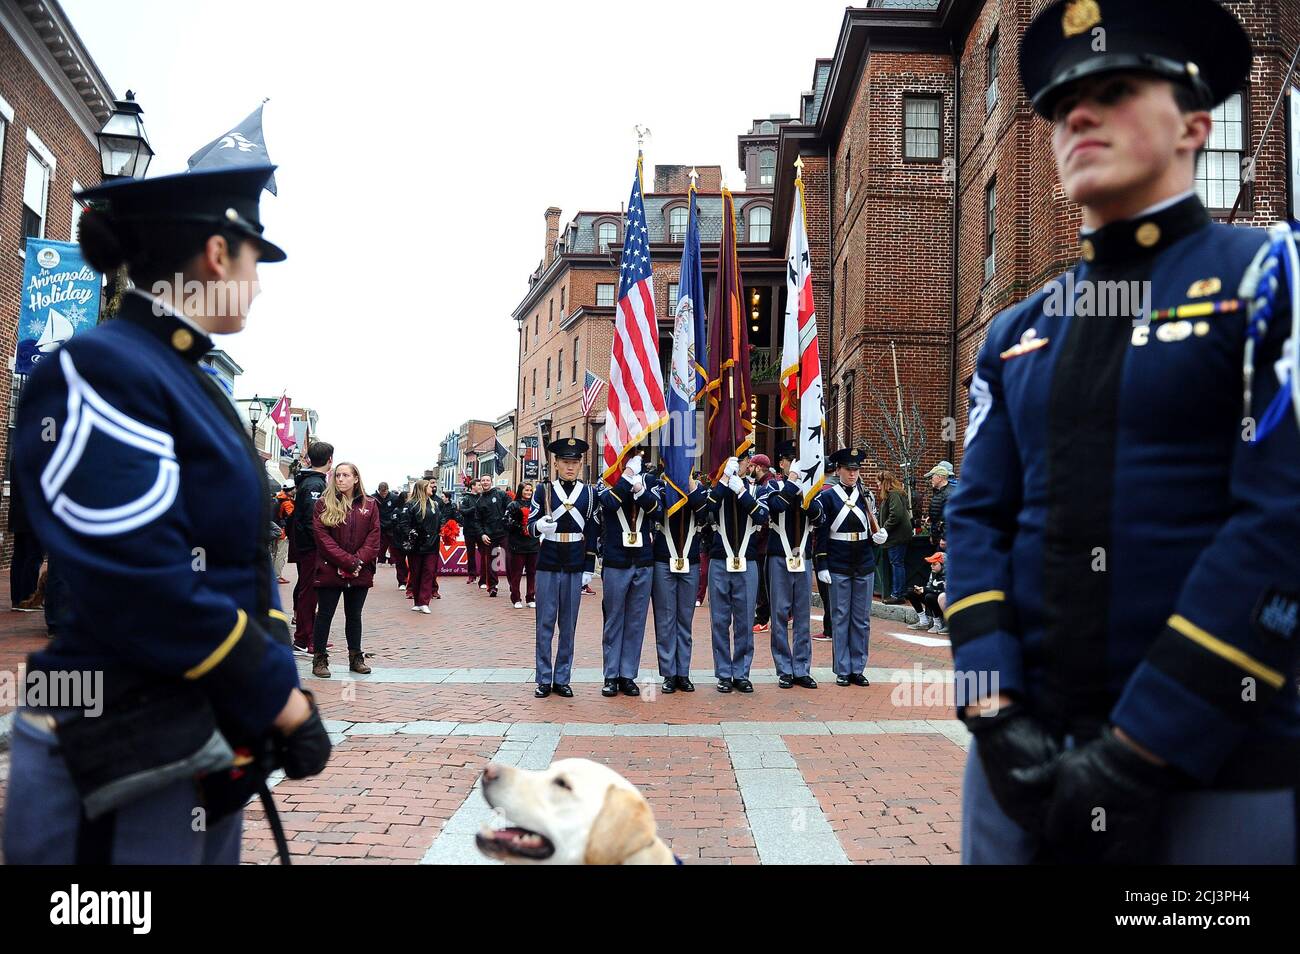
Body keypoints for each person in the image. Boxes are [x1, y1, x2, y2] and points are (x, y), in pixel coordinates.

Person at [948, 0, 1299, 865]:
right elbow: (976, 519)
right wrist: (994, 718)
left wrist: (1139, 748)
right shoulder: (1017, 331)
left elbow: (1281, 528)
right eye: (1064, 99)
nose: (1078, 113)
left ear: (1195, 124)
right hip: (1019, 768)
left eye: (1115, 87)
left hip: (1218, 767)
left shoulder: (1267, 277)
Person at [3, 165, 330, 864]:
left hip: (192, 743)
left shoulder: (184, 377)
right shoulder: (102, 368)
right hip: (116, 747)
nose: (260, 281)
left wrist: (263, 690)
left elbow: (235, 561)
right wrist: (279, 695)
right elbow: (141, 579)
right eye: (255, 259)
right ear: (218, 253)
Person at [528, 438, 599, 699]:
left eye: (575, 462)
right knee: (545, 623)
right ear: (555, 464)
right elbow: (530, 523)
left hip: (574, 562)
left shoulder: (589, 493)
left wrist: (588, 566)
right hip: (548, 561)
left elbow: (592, 530)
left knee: (568, 625)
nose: (570, 467)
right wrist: (538, 527)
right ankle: (544, 678)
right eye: (565, 462)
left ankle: (562, 678)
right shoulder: (543, 491)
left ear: (580, 464)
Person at [815, 448, 889, 687]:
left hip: (863, 562)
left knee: (861, 619)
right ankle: (842, 668)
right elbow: (822, 534)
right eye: (848, 470)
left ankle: (858, 667)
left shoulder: (865, 496)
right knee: (840, 617)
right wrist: (822, 563)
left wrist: (878, 537)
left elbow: (872, 526)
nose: (853, 474)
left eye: (856, 470)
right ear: (838, 470)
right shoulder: (828, 497)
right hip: (838, 562)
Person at [703, 453, 770, 693]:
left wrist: (741, 492)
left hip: (746, 561)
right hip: (720, 560)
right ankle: (723, 672)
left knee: (743, 620)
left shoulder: (755, 490)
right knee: (720, 621)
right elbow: (705, 511)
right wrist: (723, 482)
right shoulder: (716, 489)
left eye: (745, 462)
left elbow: (762, 516)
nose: (745, 466)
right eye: (740, 462)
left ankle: (741, 672)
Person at [760, 441, 823, 690]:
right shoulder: (774, 485)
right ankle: (784, 668)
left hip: (803, 557)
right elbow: (774, 508)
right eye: (789, 460)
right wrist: (793, 481)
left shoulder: (810, 489)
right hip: (779, 556)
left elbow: (820, 516)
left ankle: (801, 668)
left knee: (803, 615)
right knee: (779, 613)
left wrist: (805, 491)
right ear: (782, 464)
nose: (792, 464)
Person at [597, 449, 661, 697]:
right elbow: (611, 504)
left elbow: (657, 510)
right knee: (614, 619)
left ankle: (627, 674)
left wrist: (640, 489)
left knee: (635, 621)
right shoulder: (608, 482)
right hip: (616, 560)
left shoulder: (650, 482)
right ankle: (611, 675)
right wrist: (627, 476)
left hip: (643, 560)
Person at [310, 462, 380, 679]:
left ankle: (355, 656)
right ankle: (320, 658)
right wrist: (346, 562)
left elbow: (374, 537)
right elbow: (323, 539)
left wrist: (357, 562)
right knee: (325, 615)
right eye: (337, 475)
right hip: (330, 569)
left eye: (345, 475)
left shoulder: (370, 504)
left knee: (354, 615)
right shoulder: (323, 503)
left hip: (360, 570)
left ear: (356, 478)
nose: (340, 479)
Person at [650, 470, 710, 693]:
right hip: (664, 559)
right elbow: (654, 512)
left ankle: (683, 672)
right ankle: (668, 673)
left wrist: (692, 487)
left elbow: (705, 514)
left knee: (685, 620)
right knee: (665, 620)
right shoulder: (659, 488)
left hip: (690, 560)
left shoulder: (698, 490)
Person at [290, 441, 334, 653]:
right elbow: (311, 520)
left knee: (310, 590)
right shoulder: (315, 485)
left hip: (309, 545)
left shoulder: (311, 482)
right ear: (330, 460)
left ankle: (309, 635)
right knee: (309, 591)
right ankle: (305, 639)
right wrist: (322, 544)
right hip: (311, 547)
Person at [397, 478, 447, 612]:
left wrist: (443, 530)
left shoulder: (435, 504)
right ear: (422, 489)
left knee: (429, 572)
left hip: (432, 545)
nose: (432, 488)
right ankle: (417, 601)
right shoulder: (411, 505)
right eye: (429, 486)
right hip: (417, 546)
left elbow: (440, 520)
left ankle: (424, 601)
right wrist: (412, 534)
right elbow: (404, 524)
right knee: (415, 573)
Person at [749, 453, 775, 635]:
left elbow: (764, 518)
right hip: (766, 543)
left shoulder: (766, 486)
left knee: (763, 584)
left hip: (764, 543)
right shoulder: (764, 484)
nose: (749, 469)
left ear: (758, 467)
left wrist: (755, 538)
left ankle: (762, 618)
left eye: (751, 466)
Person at [876, 470, 912, 604]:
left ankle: (898, 594)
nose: (878, 486)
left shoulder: (893, 494)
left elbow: (895, 514)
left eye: (879, 483)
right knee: (897, 563)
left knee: (897, 563)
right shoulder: (896, 493)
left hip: (897, 535)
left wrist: (885, 528)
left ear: (884, 482)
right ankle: (898, 592)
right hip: (899, 534)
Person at [505, 482, 540, 608]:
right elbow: (506, 522)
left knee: (532, 572)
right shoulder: (513, 505)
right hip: (517, 544)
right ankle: (516, 598)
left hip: (533, 543)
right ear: (521, 490)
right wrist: (520, 527)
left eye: (530, 490)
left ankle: (531, 597)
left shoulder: (536, 505)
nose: (528, 492)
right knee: (517, 573)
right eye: (526, 490)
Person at [476, 477, 510, 596]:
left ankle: (513, 585)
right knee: (491, 561)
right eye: (483, 481)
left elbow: (511, 508)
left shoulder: (501, 494)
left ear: (491, 482)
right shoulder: (479, 501)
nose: (485, 482)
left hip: (505, 532)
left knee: (509, 559)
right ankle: (493, 587)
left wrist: (509, 523)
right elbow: (477, 521)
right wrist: (482, 534)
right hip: (489, 535)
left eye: (487, 480)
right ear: (481, 483)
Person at [906, 551, 946, 634]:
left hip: (942, 600)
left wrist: (925, 589)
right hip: (933, 595)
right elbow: (929, 586)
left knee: (929, 596)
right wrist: (921, 589)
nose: (932, 566)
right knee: (911, 592)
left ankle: (938, 623)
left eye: (935, 564)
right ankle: (924, 621)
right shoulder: (933, 572)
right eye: (931, 564)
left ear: (943, 565)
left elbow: (944, 591)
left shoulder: (949, 573)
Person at [924, 461, 954, 550]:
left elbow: (949, 519)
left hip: (945, 539)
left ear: (940, 478)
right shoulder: (939, 492)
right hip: (938, 535)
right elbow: (940, 511)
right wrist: (932, 516)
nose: (931, 480)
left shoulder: (948, 494)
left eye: (932, 477)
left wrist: (944, 538)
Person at [459, 477, 482, 585]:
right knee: (471, 553)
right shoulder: (466, 498)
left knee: (484, 552)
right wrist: (473, 509)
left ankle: (484, 575)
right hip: (469, 529)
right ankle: (472, 575)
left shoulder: (482, 497)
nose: (480, 487)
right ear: (473, 486)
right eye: (478, 485)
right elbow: (462, 511)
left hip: (481, 529)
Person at [272, 483, 295, 584]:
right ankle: (277, 576)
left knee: (274, 553)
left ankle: (272, 575)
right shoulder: (287, 502)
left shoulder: (278, 497)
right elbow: (292, 516)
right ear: (291, 490)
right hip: (282, 531)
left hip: (275, 529)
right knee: (280, 555)